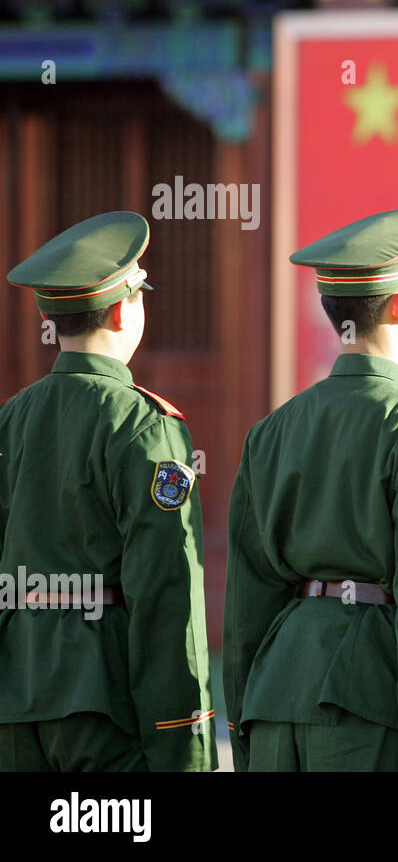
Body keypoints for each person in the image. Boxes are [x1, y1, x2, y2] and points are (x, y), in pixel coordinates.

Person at [223, 208, 398, 771]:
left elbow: (245, 605)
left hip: (277, 692)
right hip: (370, 704)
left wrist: (244, 723)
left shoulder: (272, 431)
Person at [1, 211, 215, 771]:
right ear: (124, 309)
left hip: (15, 694)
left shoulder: (11, 420)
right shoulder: (144, 425)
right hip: (103, 701)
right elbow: (167, 591)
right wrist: (183, 740)